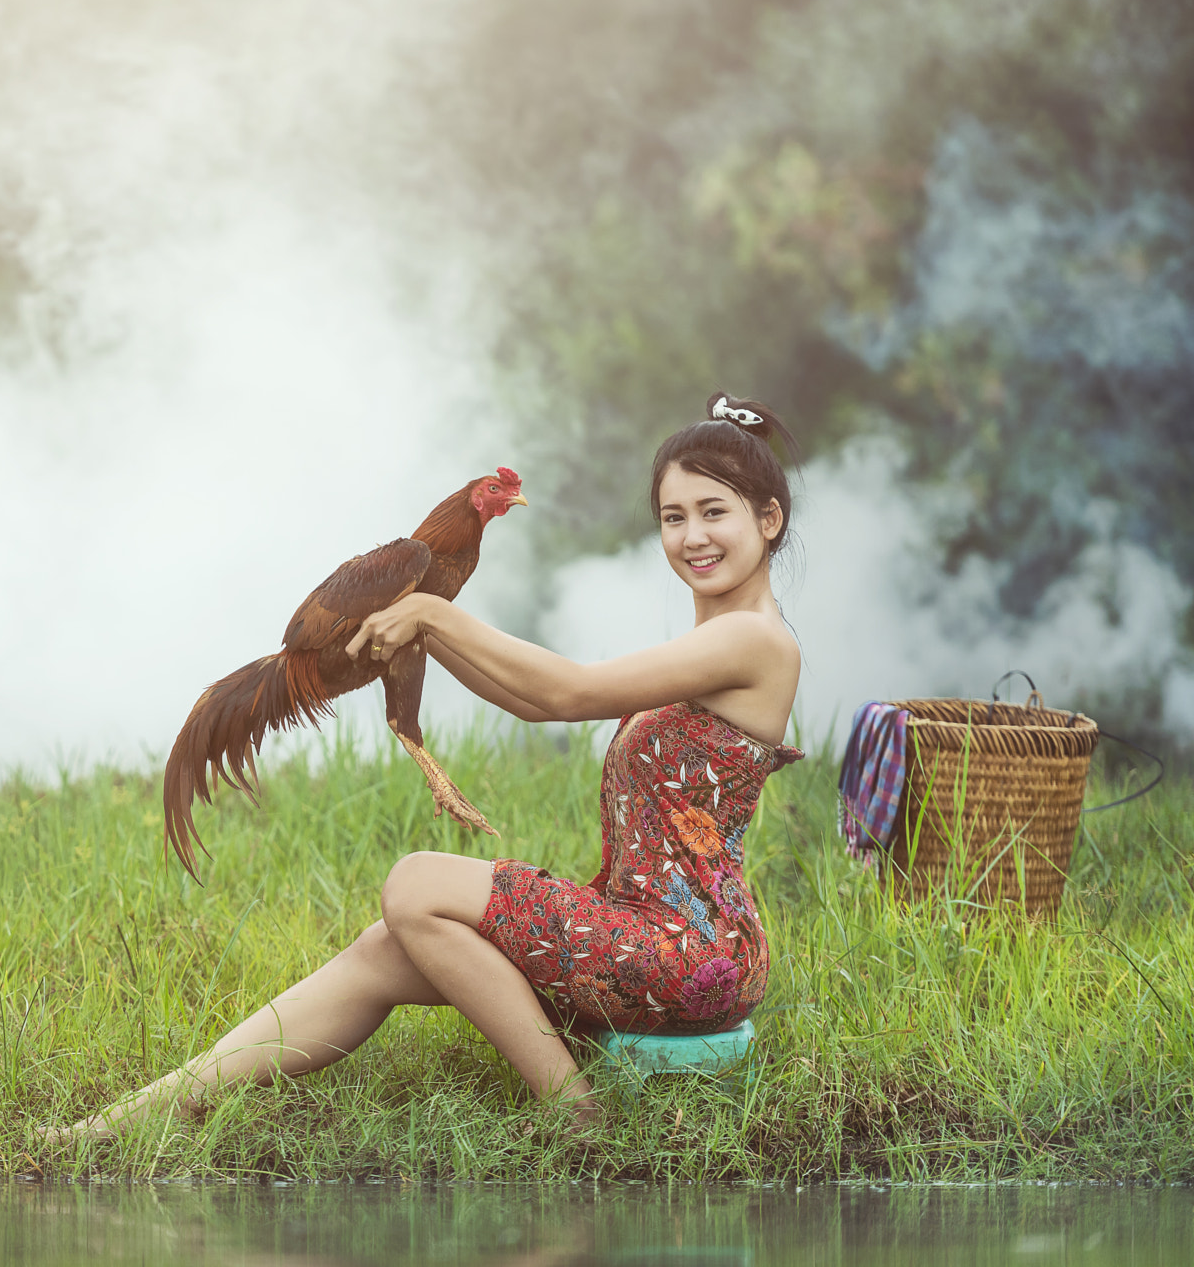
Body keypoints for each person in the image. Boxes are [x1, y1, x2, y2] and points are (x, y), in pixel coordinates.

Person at [53, 392, 804, 1136]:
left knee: (415, 884)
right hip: (652, 937)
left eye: (715, 511)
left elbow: (568, 690)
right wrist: (423, 616)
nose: (692, 535)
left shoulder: (753, 641)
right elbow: (533, 702)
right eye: (675, 517)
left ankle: (577, 1115)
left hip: (685, 950)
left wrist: (436, 614)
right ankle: (142, 1114)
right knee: (384, 950)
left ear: (767, 520)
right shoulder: (712, 644)